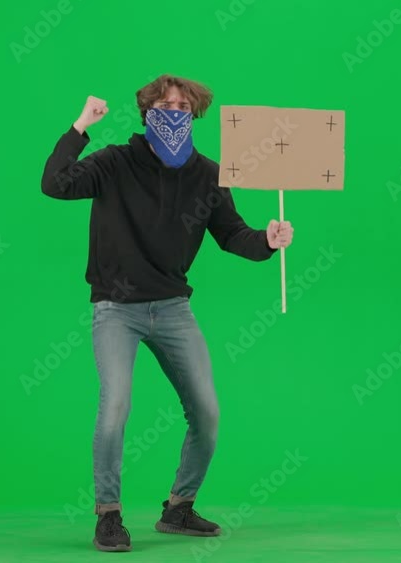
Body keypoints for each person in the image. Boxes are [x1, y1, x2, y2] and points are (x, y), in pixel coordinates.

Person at [41, 74, 294, 552]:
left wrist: (267, 240)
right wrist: (80, 126)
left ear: (193, 114)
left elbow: (232, 235)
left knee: (207, 412)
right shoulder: (115, 161)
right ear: (146, 112)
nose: (173, 113)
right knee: (115, 406)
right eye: (163, 106)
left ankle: (179, 507)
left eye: (181, 107)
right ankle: (108, 515)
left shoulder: (208, 174)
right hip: (116, 308)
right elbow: (55, 184)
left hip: (174, 307)